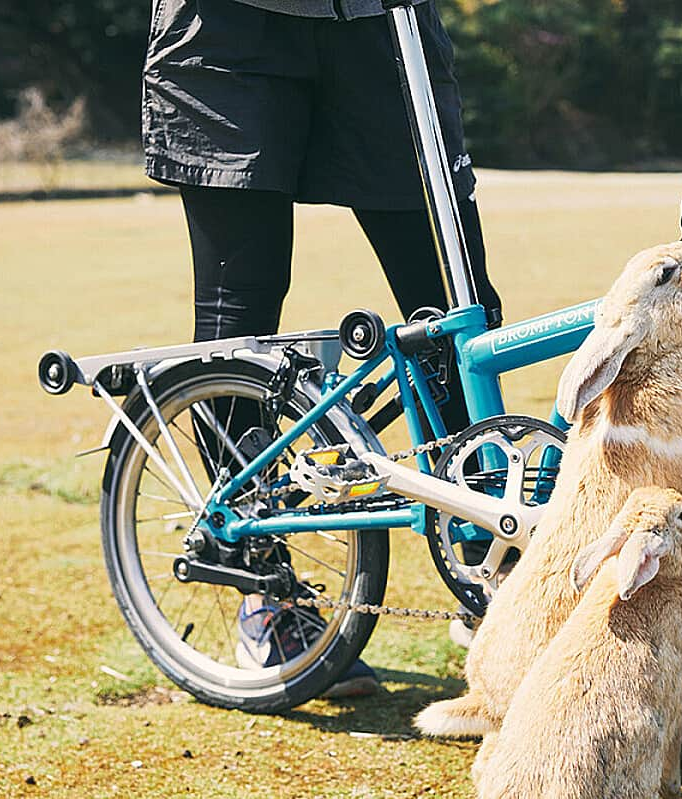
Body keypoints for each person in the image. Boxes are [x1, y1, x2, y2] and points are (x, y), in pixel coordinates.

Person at [141, 0, 500, 697]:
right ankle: (259, 581)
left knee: (458, 311)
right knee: (239, 314)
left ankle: (490, 557)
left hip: (384, 24)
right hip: (229, 28)